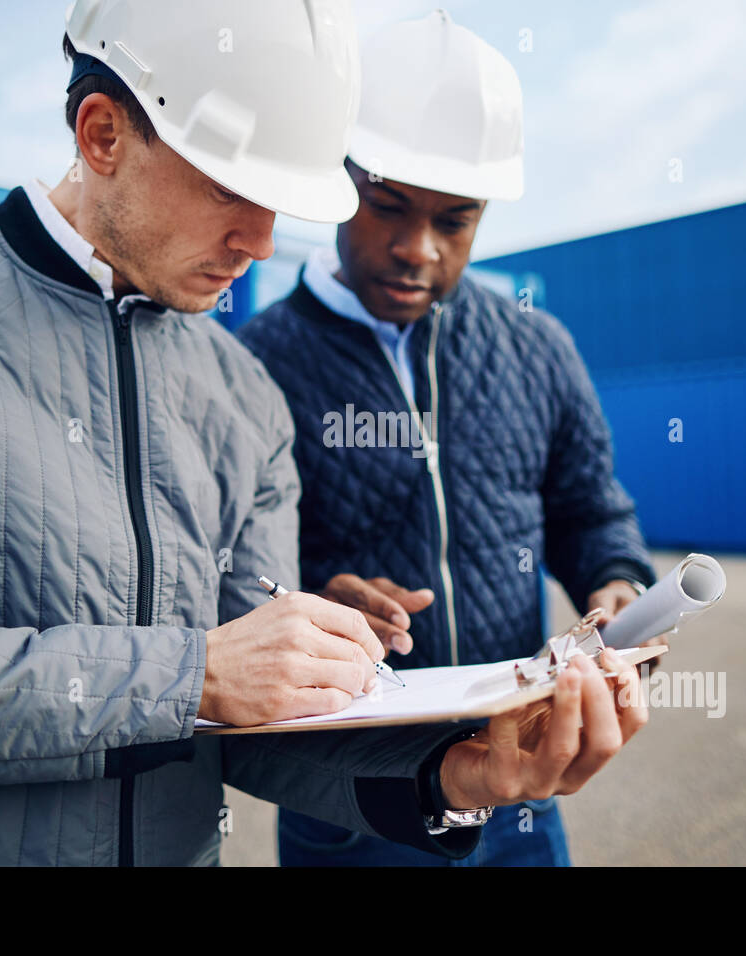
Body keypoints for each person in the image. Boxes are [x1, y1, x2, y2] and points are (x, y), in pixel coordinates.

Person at [0, 0, 646, 866]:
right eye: (231, 187)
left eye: (285, 199)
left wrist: (452, 776)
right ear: (103, 134)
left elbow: (255, 722)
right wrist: (185, 675)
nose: (260, 238)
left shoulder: (241, 389)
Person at [238, 10, 659, 867]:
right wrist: (314, 604)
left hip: (520, 788)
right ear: (336, 176)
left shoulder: (537, 348)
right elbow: (225, 580)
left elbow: (591, 515)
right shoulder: (252, 366)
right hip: (352, 798)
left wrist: (616, 591)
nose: (416, 250)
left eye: (454, 222)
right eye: (386, 206)